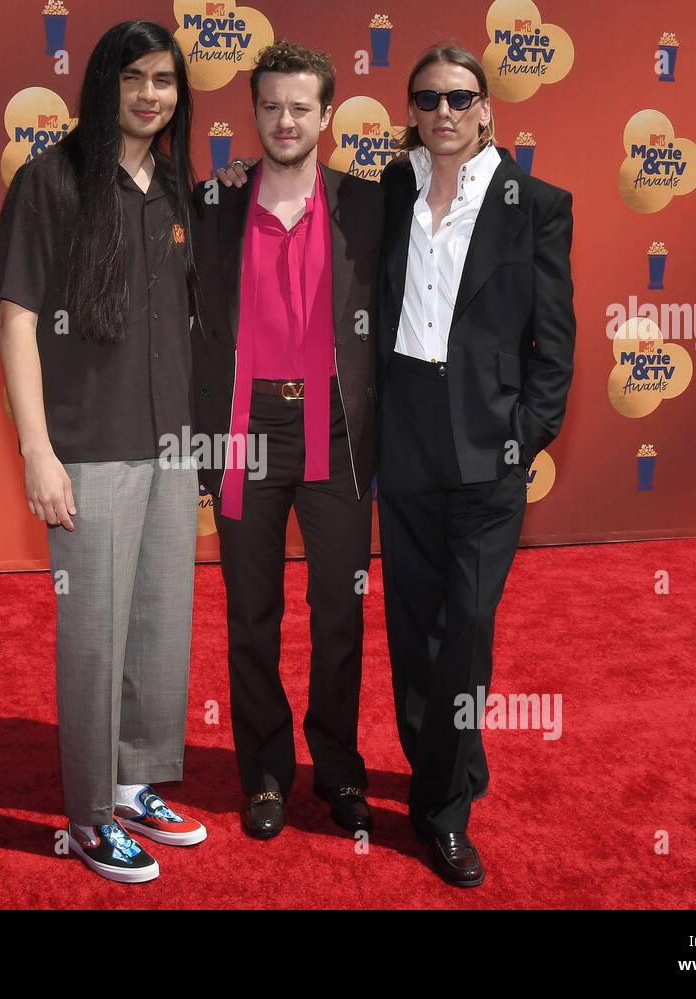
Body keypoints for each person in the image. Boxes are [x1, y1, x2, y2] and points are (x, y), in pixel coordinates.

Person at [0, 20, 207, 884]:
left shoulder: (174, 186)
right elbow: (15, 321)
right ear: (102, 84)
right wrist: (37, 452)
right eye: (134, 79)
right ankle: (85, 818)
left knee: (159, 628)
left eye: (164, 80)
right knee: (94, 636)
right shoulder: (49, 181)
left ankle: (132, 783)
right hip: (88, 445)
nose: (151, 94)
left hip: (171, 443)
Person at [375, 43, 576, 887]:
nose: (445, 112)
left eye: (460, 97)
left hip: (489, 442)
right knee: (413, 621)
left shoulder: (539, 204)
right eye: (428, 99)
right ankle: (448, 761)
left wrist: (522, 436)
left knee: (467, 622)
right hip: (404, 430)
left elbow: (555, 343)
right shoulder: (389, 189)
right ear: (413, 111)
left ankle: (444, 811)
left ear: (487, 107)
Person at [192, 40, 383, 839]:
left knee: (340, 610)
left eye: (301, 106)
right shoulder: (210, 205)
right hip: (243, 430)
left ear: (328, 115)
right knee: (252, 611)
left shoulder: (370, 204)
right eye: (270, 105)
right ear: (254, 113)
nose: (285, 120)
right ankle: (265, 773)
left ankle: (337, 771)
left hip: (336, 429)